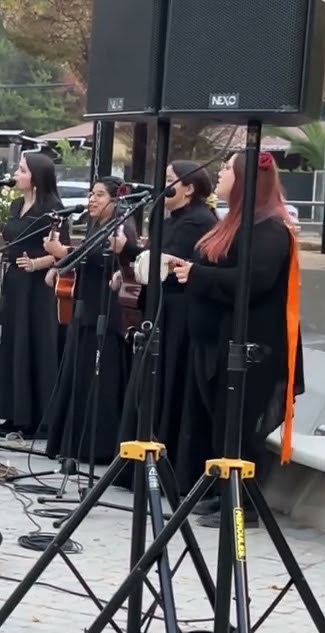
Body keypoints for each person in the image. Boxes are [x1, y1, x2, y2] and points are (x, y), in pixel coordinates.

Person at [167, 150, 303, 528]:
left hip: (253, 348)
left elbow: (252, 281)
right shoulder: (237, 222)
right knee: (222, 422)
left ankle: (243, 504)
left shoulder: (271, 228)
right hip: (217, 343)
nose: (221, 173)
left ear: (244, 179)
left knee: (241, 426)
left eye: (227, 168)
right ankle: (223, 492)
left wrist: (196, 274)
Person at [111, 160, 218, 488]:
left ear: (189, 187)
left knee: (168, 382)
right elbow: (151, 257)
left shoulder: (199, 221)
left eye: (170, 180)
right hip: (159, 308)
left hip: (179, 313)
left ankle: (166, 470)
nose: (165, 185)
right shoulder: (169, 217)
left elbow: (164, 264)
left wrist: (128, 250)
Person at [44, 176, 138, 464]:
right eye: (91, 194)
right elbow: (87, 255)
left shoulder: (123, 227)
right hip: (86, 308)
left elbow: (115, 262)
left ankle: (98, 446)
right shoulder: (97, 225)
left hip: (107, 313)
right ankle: (75, 442)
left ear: (116, 198)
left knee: (101, 380)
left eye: (99, 194)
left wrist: (62, 255)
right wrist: (61, 262)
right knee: (80, 375)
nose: (92, 200)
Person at [0, 152, 65, 438]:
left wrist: (37, 264)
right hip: (14, 281)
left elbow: (62, 250)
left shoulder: (52, 207)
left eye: (21, 170)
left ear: (35, 176)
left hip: (37, 287)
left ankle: (37, 418)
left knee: (33, 344)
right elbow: (10, 238)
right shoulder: (18, 204)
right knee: (10, 343)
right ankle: (12, 412)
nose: (16, 174)